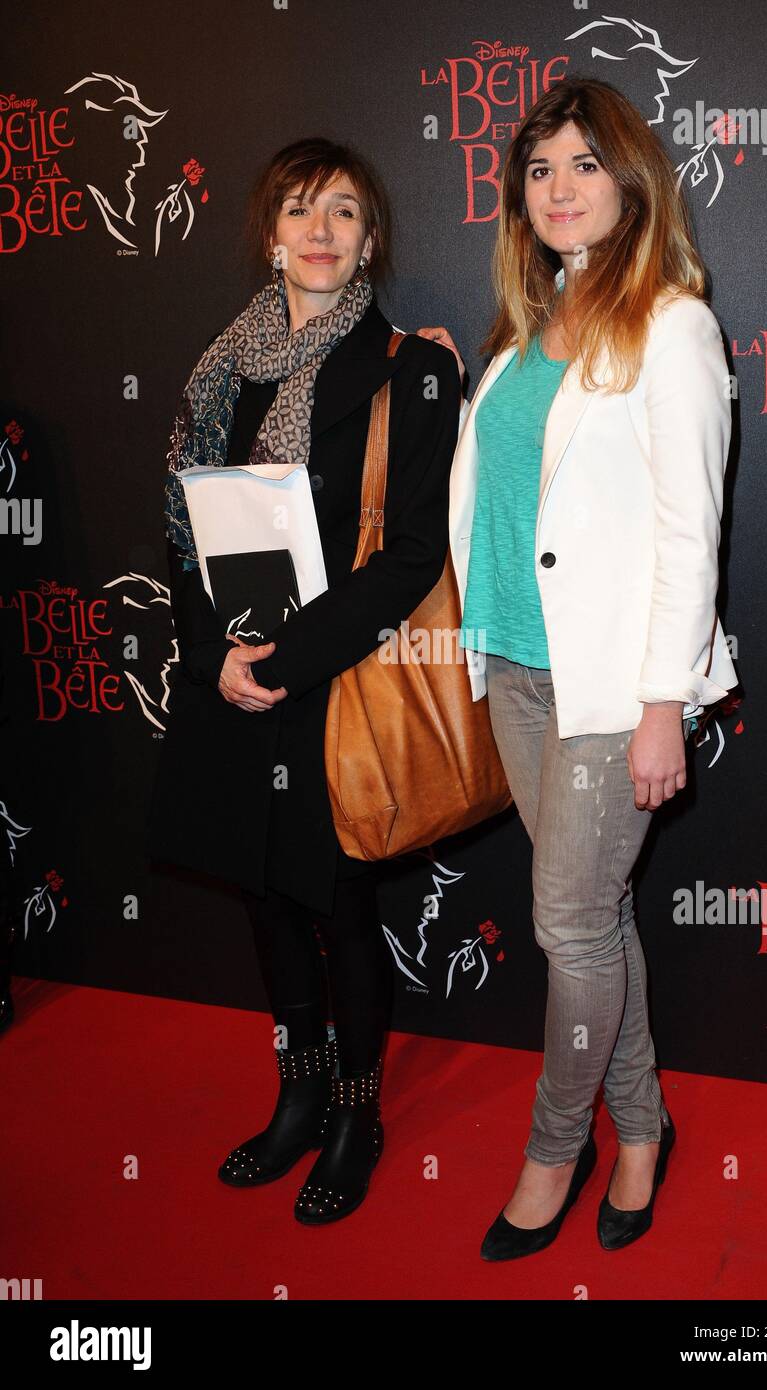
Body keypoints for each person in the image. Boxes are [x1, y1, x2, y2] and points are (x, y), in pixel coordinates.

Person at [421, 77, 738, 1260]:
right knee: (593, 921)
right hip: (512, 666)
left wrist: (664, 703)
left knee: (566, 923)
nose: (558, 190)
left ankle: (557, 1145)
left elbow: (686, 532)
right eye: (540, 169)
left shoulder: (673, 324)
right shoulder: (519, 337)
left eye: (583, 166)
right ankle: (643, 1125)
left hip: (611, 688)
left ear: (631, 182)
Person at [148, 138, 461, 1225]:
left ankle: (356, 1116)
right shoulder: (221, 370)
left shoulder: (410, 369)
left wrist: (282, 661)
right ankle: (298, 1091)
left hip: (338, 684)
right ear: (270, 235)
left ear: (370, 239)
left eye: (341, 211)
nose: (318, 230)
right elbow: (189, 529)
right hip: (236, 676)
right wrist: (214, 656)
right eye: (296, 210)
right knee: (263, 892)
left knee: (338, 902)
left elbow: (413, 556)